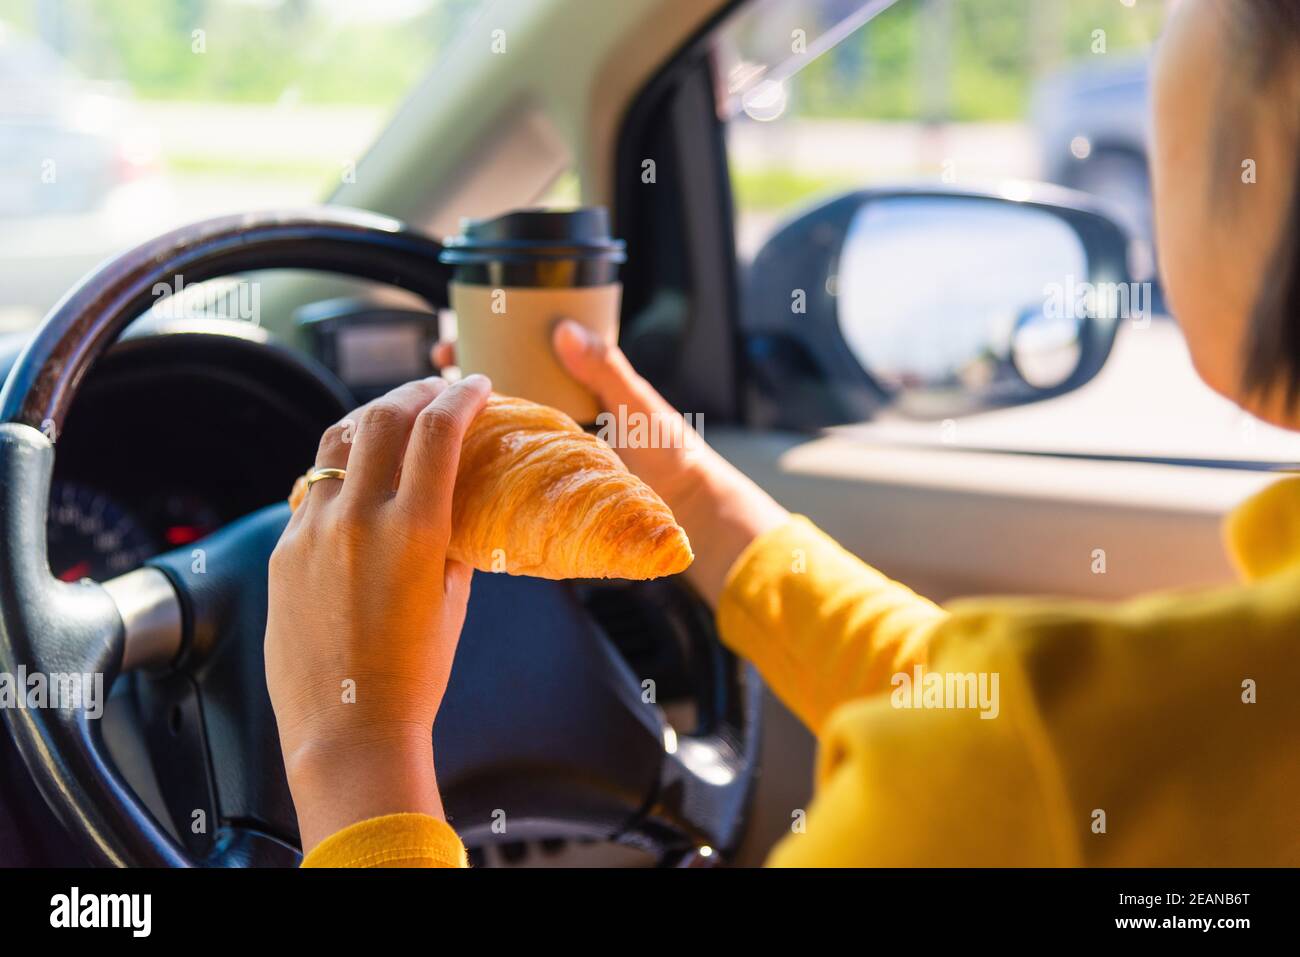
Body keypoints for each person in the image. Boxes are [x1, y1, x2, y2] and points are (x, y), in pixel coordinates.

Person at [264, 0, 1300, 867]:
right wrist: (698, 507)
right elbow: (1006, 714)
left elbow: (1029, 749)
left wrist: (354, 754)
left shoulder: (1046, 779)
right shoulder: (1146, 729)